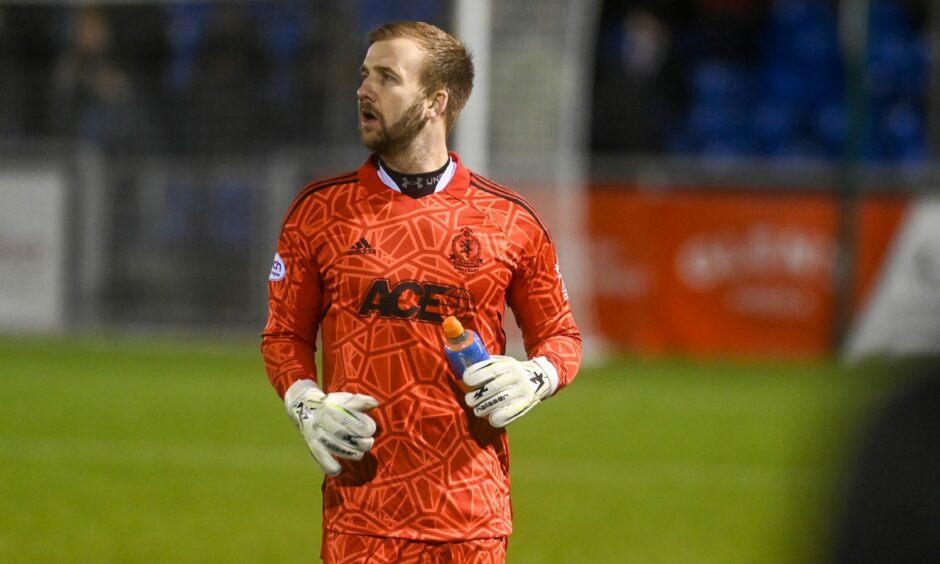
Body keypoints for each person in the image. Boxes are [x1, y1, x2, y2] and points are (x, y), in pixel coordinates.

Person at [261, 21, 582, 563]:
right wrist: (305, 401)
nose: (364, 90)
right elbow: (284, 336)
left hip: (471, 518)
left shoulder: (512, 222)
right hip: (360, 518)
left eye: (387, 77)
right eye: (364, 75)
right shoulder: (317, 213)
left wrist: (538, 375)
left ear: (436, 101)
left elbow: (561, 336)